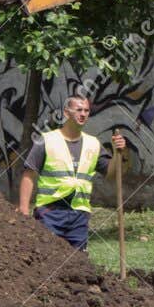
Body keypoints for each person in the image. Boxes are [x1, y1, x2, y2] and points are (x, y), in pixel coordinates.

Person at [16, 93, 126, 250]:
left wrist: (116, 153)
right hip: (50, 212)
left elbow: (111, 173)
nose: (83, 114)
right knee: (49, 257)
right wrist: (24, 209)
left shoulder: (93, 144)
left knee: (78, 263)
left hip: (79, 215)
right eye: (79, 110)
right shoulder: (46, 140)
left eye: (86, 111)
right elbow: (29, 174)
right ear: (66, 113)